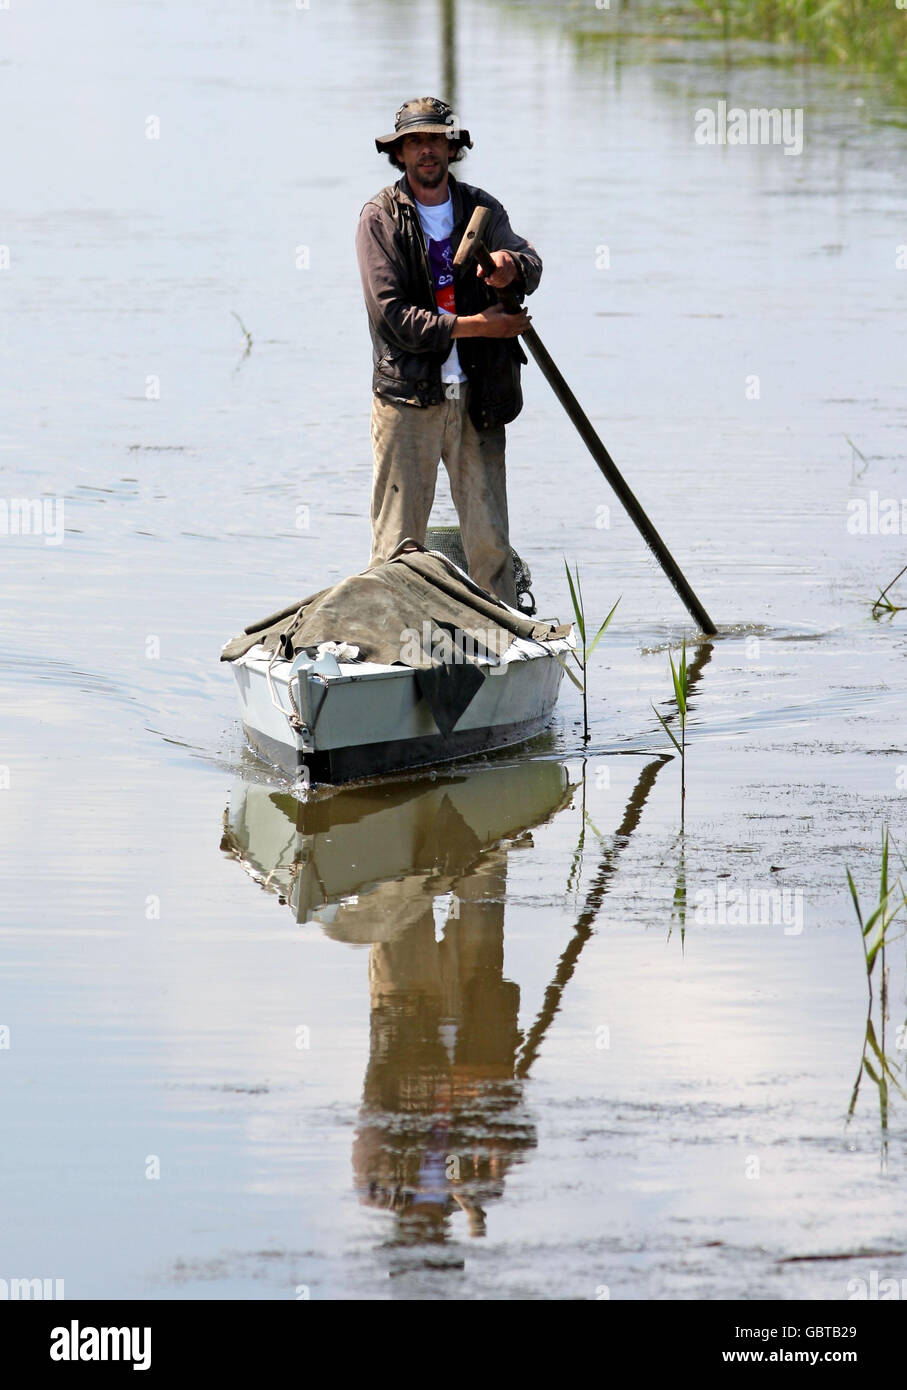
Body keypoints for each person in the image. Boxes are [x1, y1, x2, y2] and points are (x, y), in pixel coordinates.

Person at [356, 97, 542, 607]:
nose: (426, 151)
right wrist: (481, 326)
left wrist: (509, 266)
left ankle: (501, 646)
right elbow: (392, 318)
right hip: (407, 401)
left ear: (451, 148)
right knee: (397, 549)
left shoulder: (483, 209)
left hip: (479, 398)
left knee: (490, 546)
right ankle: (391, 652)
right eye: (415, 142)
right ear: (399, 154)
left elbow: (531, 263)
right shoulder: (380, 219)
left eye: (435, 140)